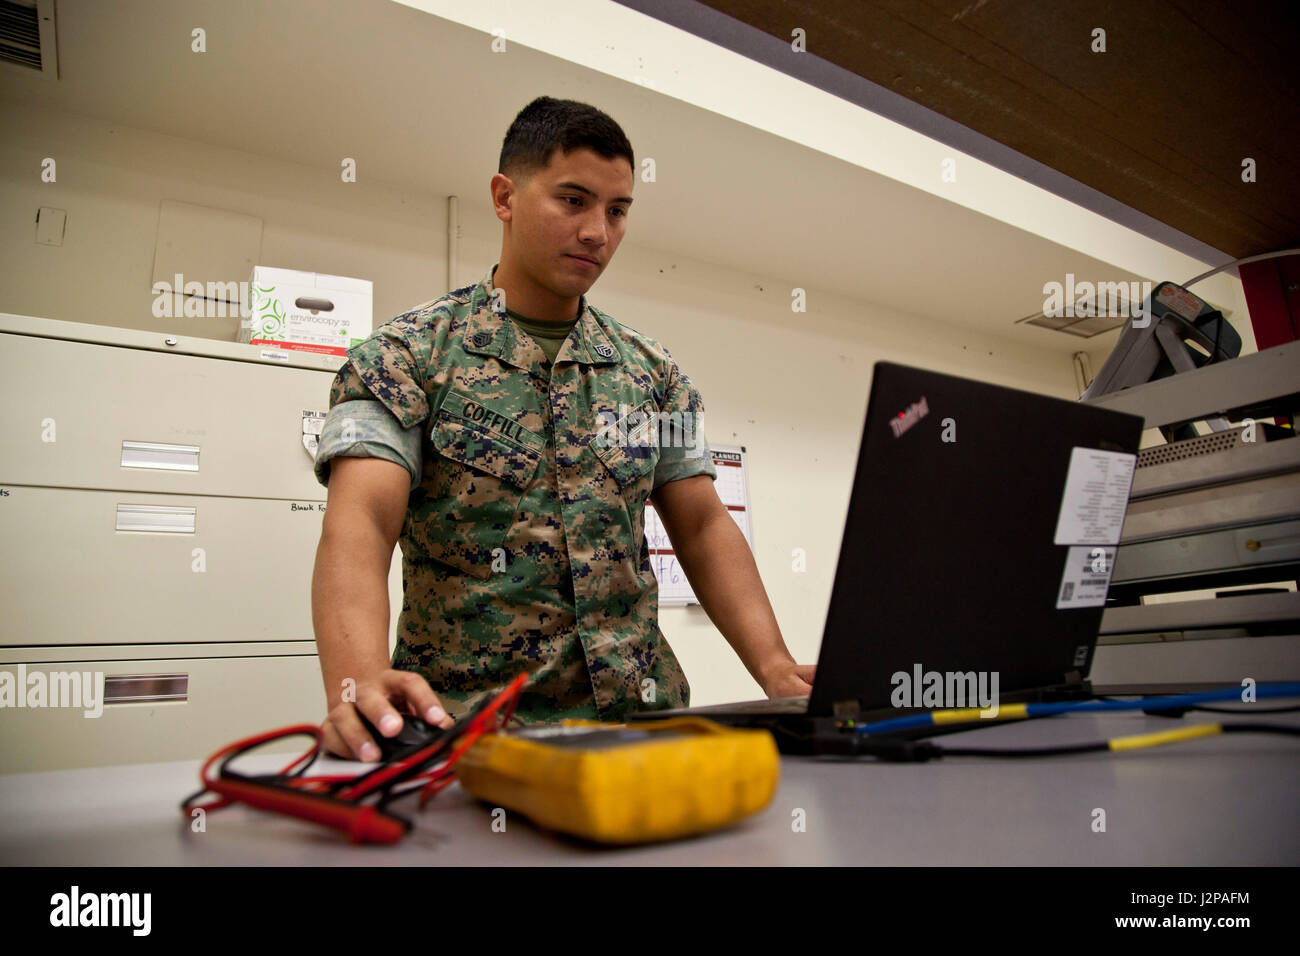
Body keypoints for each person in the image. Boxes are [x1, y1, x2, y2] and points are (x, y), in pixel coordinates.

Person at [311, 95, 813, 761]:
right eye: (572, 200)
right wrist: (359, 681)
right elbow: (362, 523)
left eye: (617, 210)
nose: (597, 231)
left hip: (641, 731)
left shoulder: (652, 374)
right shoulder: (406, 356)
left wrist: (775, 668)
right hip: (472, 742)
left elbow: (701, 525)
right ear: (504, 197)